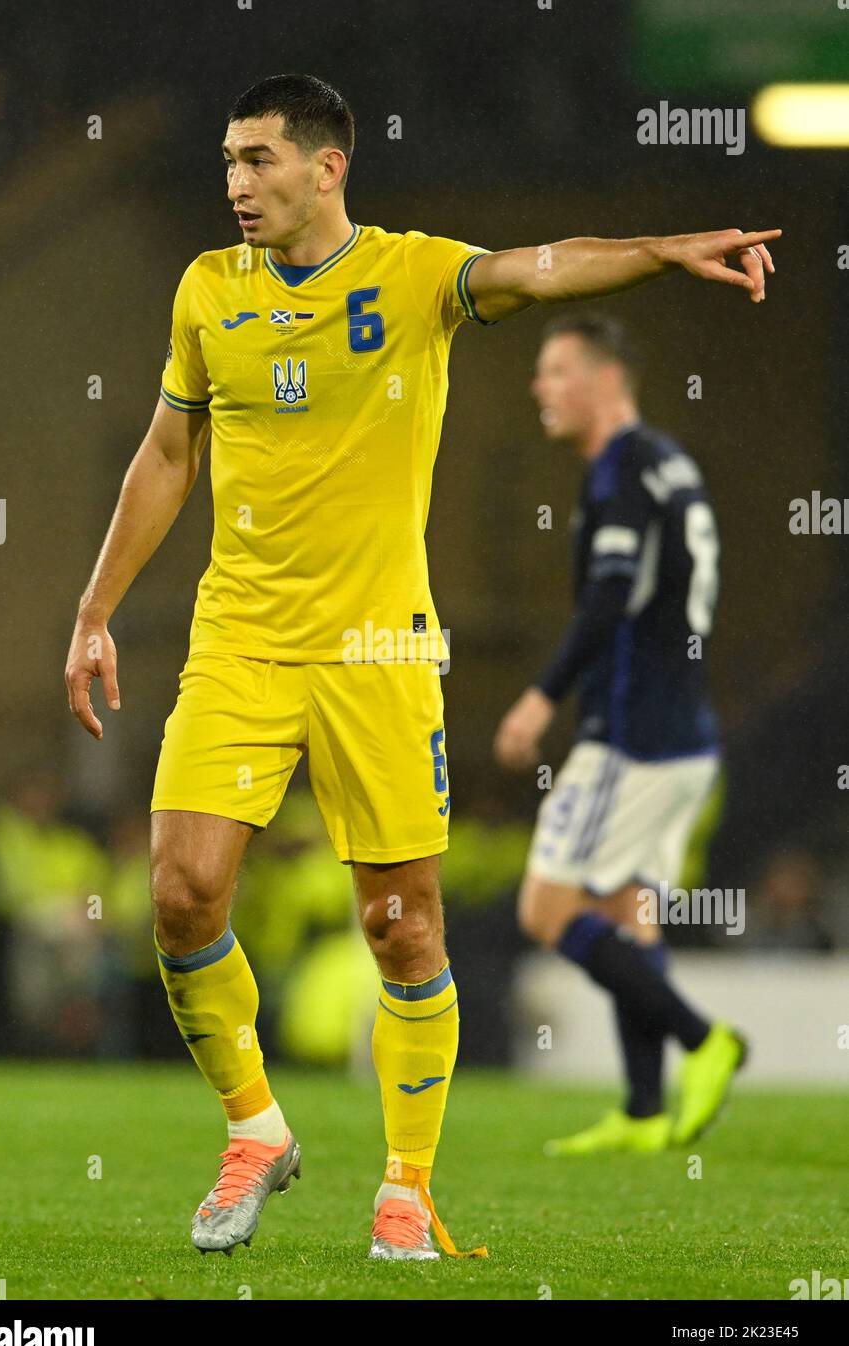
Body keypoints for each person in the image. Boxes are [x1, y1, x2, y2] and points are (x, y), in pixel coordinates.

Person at [65, 73, 777, 1258]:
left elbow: (540, 266)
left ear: (327, 166)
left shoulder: (412, 275)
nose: (237, 183)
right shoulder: (206, 290)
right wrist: (95, 608)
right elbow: (167, 448)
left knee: (402, 927)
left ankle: (406, 1183)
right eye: (229, 163)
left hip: (379, 650)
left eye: (259, 161)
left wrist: (659, 251)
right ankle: (255, 1132)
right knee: (182, 892)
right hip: (239, 638)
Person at [494, 315, 744, 1155]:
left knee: (547, 908)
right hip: (684, 734)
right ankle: (644, 1111)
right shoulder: (671, 463)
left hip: (632, 735)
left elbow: (609, 597)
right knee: (627, 916)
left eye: (557, 370)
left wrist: (539, 698)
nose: (541, 387)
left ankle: (704, 1040)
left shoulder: (623, 467)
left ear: (607, 381)